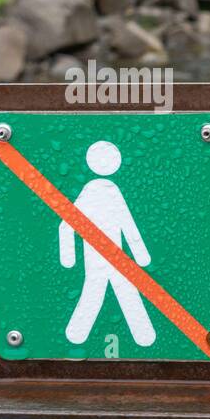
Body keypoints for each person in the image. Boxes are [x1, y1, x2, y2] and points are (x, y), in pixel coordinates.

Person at [59, 141, 156, 347]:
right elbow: (67, 224)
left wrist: (140, 254)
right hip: (99, 256)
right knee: (101, 289)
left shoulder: (108, 190)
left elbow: (125, 223)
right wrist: (68, 256)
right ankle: (143, 335)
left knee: (111, 289)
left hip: (111, 256)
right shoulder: (95, 191)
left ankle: (78, 334)